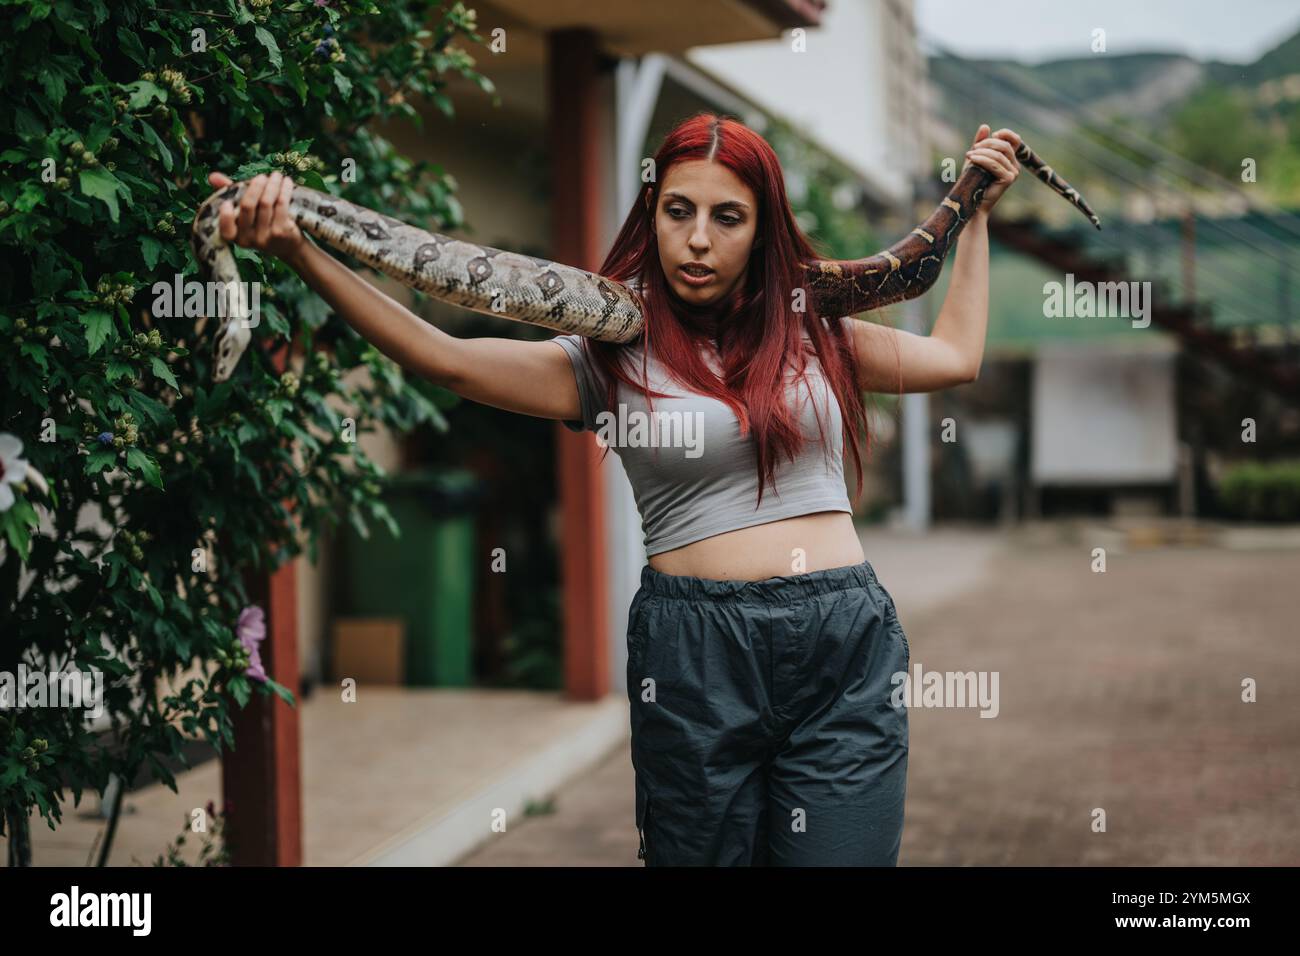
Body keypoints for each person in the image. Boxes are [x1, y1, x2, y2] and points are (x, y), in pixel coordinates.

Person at [208, 114, 1022, 866]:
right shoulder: (609, 352)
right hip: (696, 655)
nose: (696, 241)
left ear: (763, 230)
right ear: (652, 214)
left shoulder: (813, 330)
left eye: (727, 218)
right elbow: (444, 360)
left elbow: (955, 357)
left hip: (840, 643)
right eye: (677, 212)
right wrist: (299, 252)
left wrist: (975, 212)